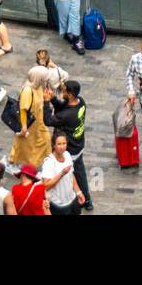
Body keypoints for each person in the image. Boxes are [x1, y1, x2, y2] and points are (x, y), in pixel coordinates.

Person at [50, 80, 93, 212]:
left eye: (64, 91)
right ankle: (87, 200)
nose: (62, 92)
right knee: (80, 172)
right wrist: (53, 100)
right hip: (78, 144)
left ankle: (83, 199)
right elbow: (63, 107)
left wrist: (46, 103)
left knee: (75, 174)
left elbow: (49, 120)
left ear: (70, 94)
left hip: (71, 150)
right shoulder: (80, 101)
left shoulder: (67, 115)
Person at [7, 70, 56, 171]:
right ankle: (15, 161)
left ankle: (36, 164)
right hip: (29, 125)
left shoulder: (39, 86)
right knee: (23, 144)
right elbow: (23, 110)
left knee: (45, 141)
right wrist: (24, 126)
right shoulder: (27, 90)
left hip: (39, 122)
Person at [41, 133, 84, 216]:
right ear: (53, 145)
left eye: (64, 143)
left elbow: (71, 176)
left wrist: (78, 192)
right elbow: (45, 186)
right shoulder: (49, 162)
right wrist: (62, 173)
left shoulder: (67, 155)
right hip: (58, 204)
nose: (62, 147)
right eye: (59, 144)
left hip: (72, 199)